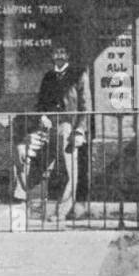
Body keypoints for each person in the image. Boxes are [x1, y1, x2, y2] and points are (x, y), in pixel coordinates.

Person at [34, 44, 92, 220]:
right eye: (56, 52)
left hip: (68, 127)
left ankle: (62, 211)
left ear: (68, 55)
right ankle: (33, 210)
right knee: (37, 165)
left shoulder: (79, 74)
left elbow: (85, 105)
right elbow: (41, 103)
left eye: (63, 52)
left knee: (70, 170)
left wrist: (80, 130)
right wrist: (42, 116)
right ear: (52, 56)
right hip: (49, 127)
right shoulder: (48, 77)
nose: (59, 55)